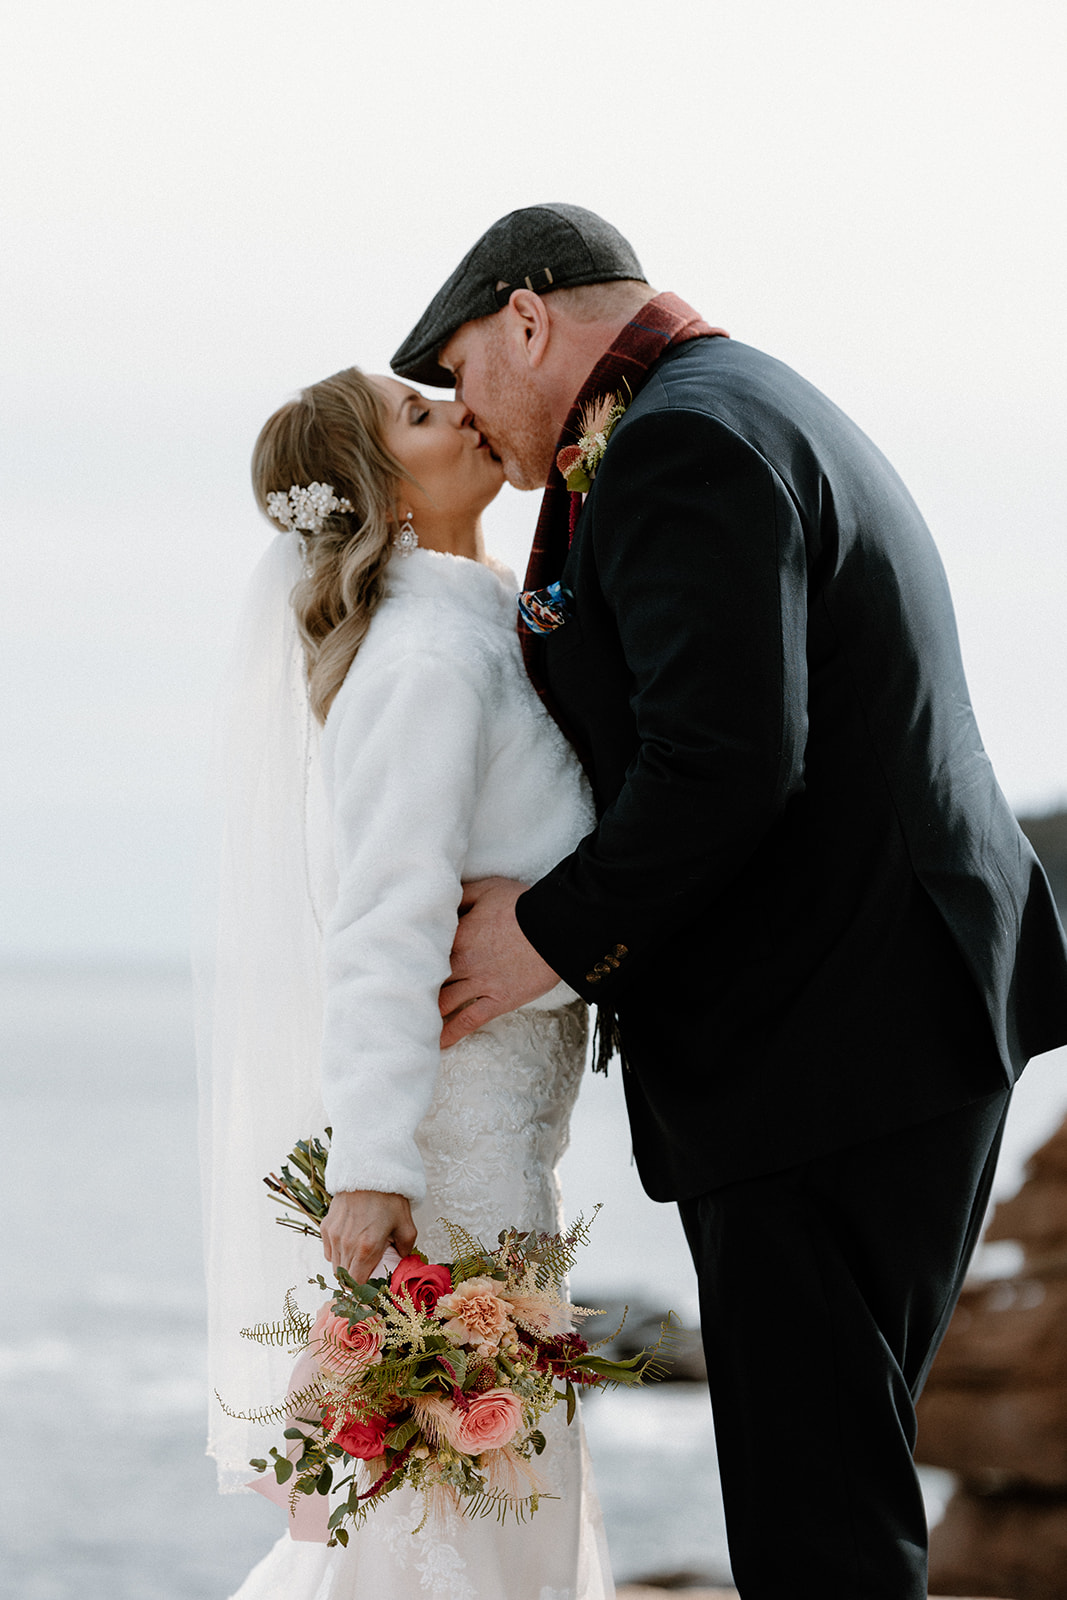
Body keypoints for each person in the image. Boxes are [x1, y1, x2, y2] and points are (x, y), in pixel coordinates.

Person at [389, 202, 1067, 1599]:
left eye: (458, 370)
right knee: (833, 1479)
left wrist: (545, 934)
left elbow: (727, 762)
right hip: (883, 1020)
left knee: (811, 1514)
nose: (462, 412)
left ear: (527, 319)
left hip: (828, 1044)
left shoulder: (684, 441)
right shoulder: (729, 403)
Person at [198, 365, 614, 1599]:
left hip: (509, 1140)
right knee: (459, 1507)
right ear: (379, 490)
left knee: (493, 1489)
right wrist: (374, 1166)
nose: (461, 410)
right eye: (418, 416)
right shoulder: (423, 653)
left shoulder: (488, 616)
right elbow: (382, 920)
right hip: (451, 1151)